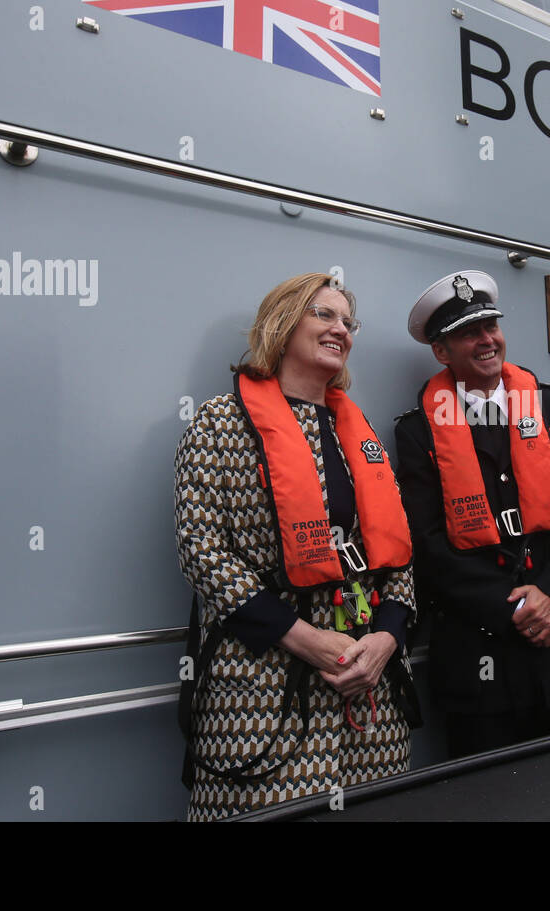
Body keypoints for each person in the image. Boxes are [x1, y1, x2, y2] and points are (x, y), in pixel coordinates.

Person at [174, 272, 418, 821]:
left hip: (366, 693)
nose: (342, 329)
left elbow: (398, 555)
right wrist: (305, 640)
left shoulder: (361, 435)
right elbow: (200, 547)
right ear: (283, 325)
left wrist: (386, 640)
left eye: (349, 322)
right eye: (325, 315)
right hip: (261, 697)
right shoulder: (220, 425)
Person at [394, 270, 550, 758]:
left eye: (491, 326)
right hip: (479, 667)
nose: (487, 339)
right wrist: (513, 609)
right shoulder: (417, 433)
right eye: (469, 332)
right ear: (442, 352)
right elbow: (425, 542)